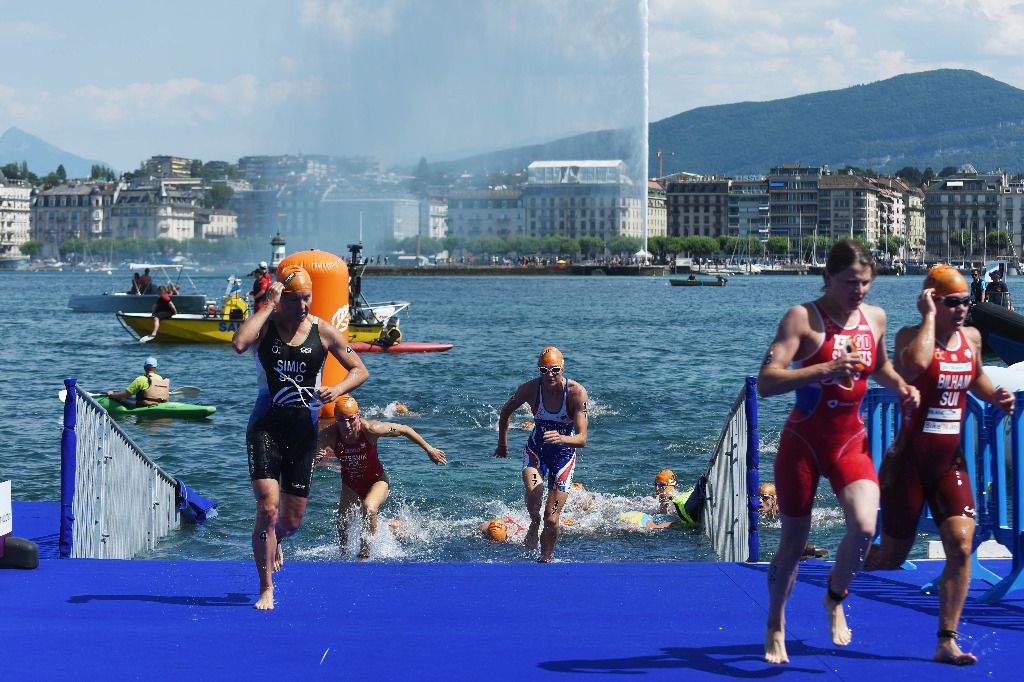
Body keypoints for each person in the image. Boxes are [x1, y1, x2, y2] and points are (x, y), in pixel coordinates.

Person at [757, 239, 920, 664]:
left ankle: (834, 595)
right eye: (850, 282)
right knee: (793, 542)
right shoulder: (802, 319)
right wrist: (826, 368)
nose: (858, 291)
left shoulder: (875, 319)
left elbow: (879, 366)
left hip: (850, 439)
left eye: (865, 283)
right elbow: (767, 381)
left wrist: (901, 386)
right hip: (804, 442)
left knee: (865, 527)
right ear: (828, 278)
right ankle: (776, 624)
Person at [865, 264, 1014, 666]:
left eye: (967, 301)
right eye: (953, 302)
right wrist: (930, 317)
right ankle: (849, 568)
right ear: (931, 300)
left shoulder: (973, 338)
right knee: (891, 559)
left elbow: (976, 377)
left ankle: (946, 639)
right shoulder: (910, 337)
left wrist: (996, 395)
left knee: (962, 546)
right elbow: (913, 367)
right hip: (909, 463)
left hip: (950, 462)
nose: (963, 308)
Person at [232, 263, 369, 611]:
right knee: (267, 507)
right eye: (297, 300)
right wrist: (265, 306)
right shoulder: (268, 327)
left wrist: (335, 389)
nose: (304, 306)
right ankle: (266, 587)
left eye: (308, 299)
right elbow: (238, 343)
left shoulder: (322, 333)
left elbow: (360, 370)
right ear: (282, 299)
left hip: (304, 432)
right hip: (266, 427)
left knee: (289, 522)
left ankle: (274, 537)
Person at [317, 394, 447, 559]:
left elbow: (404, 429)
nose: (347, 425)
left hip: (377, 481)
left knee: (369, 507)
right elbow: (309, 461)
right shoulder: (328, 435)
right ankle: (343, 554)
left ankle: (364, 554)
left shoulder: (372, 429)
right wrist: (316, 458)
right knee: (342, 523)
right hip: (350, 485)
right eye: (342, 420)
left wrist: (430, 449)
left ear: (358, 416)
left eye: (351, 419)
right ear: (336, 419)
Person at [494, 346, 589, 562]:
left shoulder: (576, 393)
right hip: (535, 451)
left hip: (563, 458)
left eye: (555, 370)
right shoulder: (529, 389)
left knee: (552, 519)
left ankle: (545, 558)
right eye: (544, 371)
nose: (550, 375)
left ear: (563, 368)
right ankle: (533, 522)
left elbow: (582, 438)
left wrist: (563, 438)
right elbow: (505, 411)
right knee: (534, 495)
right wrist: (502, 444)